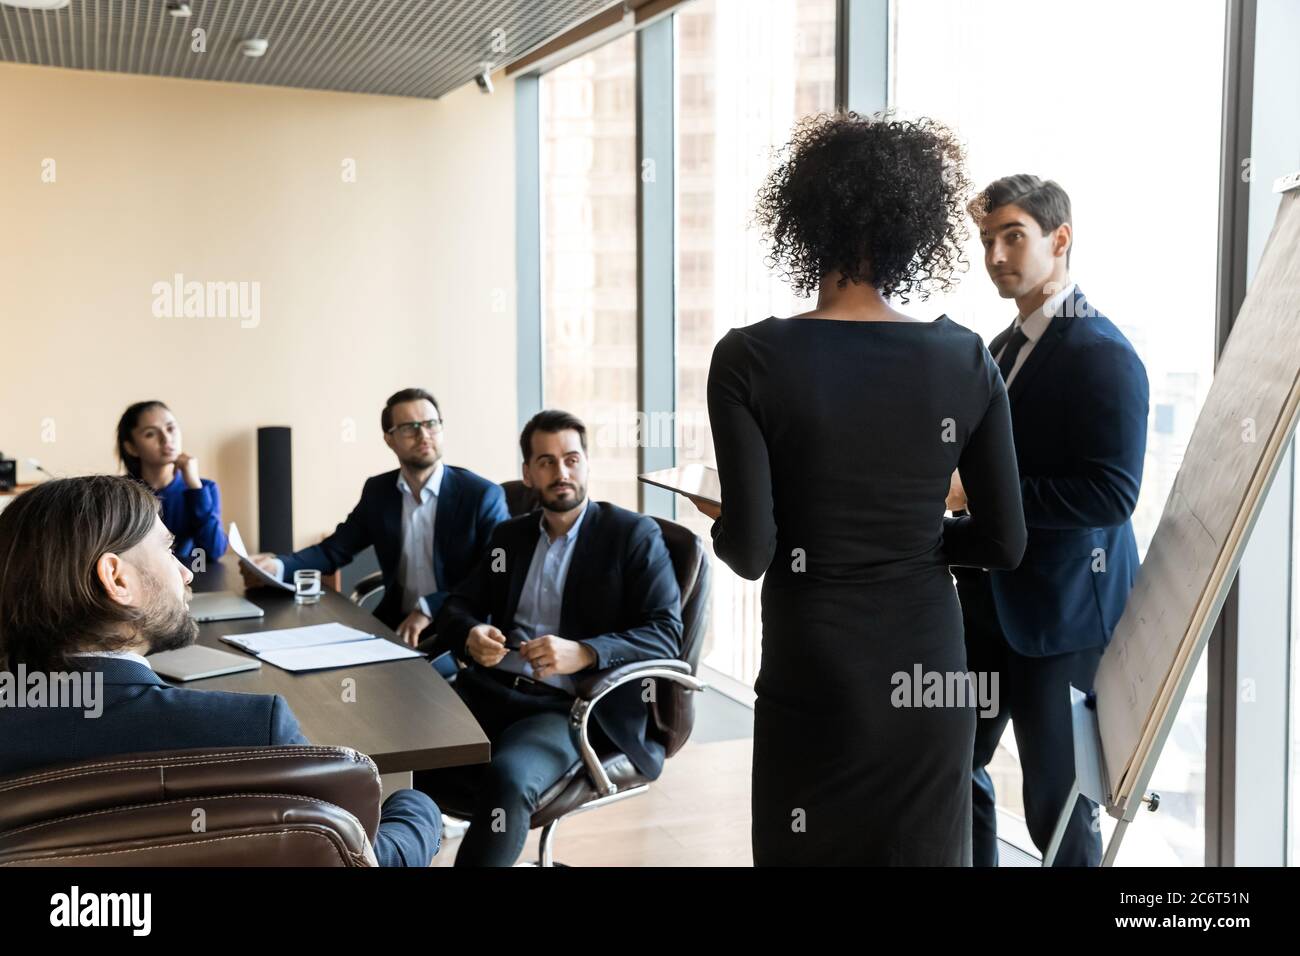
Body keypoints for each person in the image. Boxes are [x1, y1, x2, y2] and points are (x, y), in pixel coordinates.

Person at [698, 112, 1027, 865]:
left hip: (818, 668)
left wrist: (726, 517)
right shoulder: (965, 358)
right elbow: (1005, 544)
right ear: (913, 229)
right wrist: (913, 538)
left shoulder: (749, 359)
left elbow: (752, 551)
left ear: (804, 220)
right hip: (929, 675)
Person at [0, 476, 442, 867]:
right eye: (169, 550)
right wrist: (417, 809)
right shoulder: (253, 729)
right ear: (117, 579)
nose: (185, 574)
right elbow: (357, 857)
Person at [952, 174, 1149, 867]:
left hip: (1061, 619)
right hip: (986, 606)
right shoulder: (999, 347)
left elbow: (1110, 495)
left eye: (1013, 235)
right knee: (952, 768)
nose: (997, 255)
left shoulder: (1101, 353)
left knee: (1059, 809)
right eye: (986, 240)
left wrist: (979, 493)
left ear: (1060, 239)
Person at [413, 410, 682, 866]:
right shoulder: (510, 538)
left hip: (568, 708)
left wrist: (585, 652)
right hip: (489, 690)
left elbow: (665, 634)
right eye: (546, 461)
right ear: (527, 473)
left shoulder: (632, 536)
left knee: (510, 778)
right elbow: (458, 605)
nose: (561, 473)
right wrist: (472, 633)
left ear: (587, 464)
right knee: (396, 754)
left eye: (572, 459)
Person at [242, 388, 509, 648]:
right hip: (396, 621)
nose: (423, 434)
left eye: (431, 424)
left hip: (462, 627)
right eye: (409, 427)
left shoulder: (482, 495)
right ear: (389, 439)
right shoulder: (379, 492)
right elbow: (334, 550)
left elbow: (493, 573)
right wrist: (275, 566)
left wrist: (428, 609)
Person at [117, 400, 227, 564]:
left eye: (171, 428)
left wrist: (195, 488)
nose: (166, 438)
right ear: (131, 447)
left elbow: (214, 551)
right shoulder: (119, 493)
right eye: (150, 434)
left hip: (194, 581)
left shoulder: (204, 488)